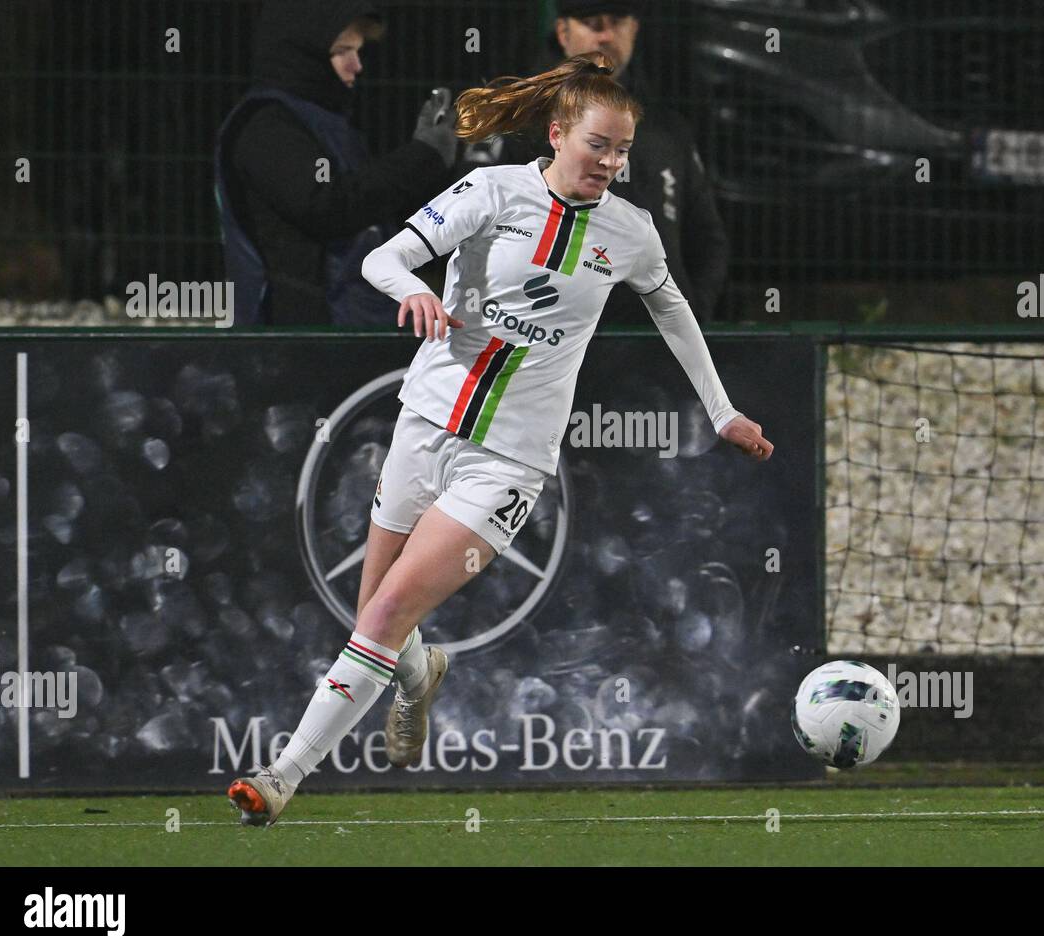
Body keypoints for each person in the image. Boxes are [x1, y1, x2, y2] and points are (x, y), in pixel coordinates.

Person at [227, 52, 772, 826]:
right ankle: (420, 676)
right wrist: (414, 288)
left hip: (509, 461)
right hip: (424, 421)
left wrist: (721, 411)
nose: (612, 164)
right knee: (374, 618)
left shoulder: (633, 232)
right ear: (556, 134)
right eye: (598, 146)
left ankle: (280, 777)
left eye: (623, 151)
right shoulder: (491, 191)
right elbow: (386, 257)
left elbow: (674, 311)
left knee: (382, 620)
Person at [465, 0, 729, 326]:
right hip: (548, 338)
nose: (605, 37)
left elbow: (707, 239)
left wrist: (691, 314)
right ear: (563, 31)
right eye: (593, 23)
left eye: (618, 22)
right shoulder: (523, 121)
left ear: (634, 28)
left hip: (655, 345)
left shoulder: (668, 128)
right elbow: (473, 226)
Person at [215, 1, 458, 327]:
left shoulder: (324, 121)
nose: (356, 65)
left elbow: (371, 208)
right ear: (303, 53)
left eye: (357, 51)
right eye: (343, 51)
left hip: (343, 322)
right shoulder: (266, 125)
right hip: (294, 337)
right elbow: (329, 207)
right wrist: (422, 157)